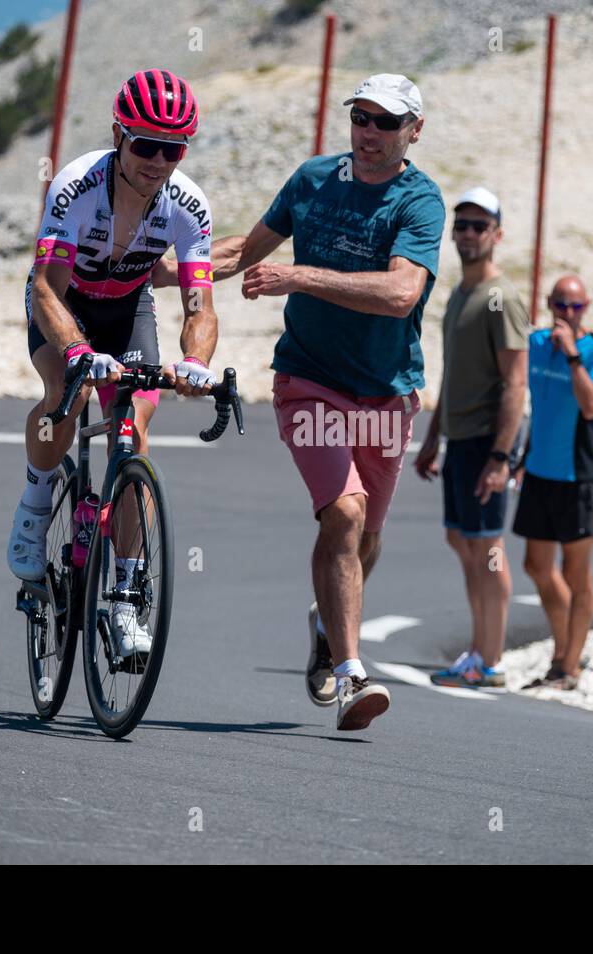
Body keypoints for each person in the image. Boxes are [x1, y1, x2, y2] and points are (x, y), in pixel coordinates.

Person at [204, 74, 445, 729]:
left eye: (384, 123)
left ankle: (324, 622)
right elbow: (244, 252)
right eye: (360, 117)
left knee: (366, 539)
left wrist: (298, 277)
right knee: (342, 513)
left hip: (387, 392)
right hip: (307, 380)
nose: (368, 133)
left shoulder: (420, 202)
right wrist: (157, 268)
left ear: (413, 132)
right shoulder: (312, 179)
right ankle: (350, 674)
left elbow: (401, 294)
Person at [6, 69, 220, 665]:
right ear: (119, 136)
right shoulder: (75, 186)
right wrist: (76, 352)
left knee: (132, 433)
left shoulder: (188, 205)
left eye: (172, 148)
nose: (158, 160)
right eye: (146, 144)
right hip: (64, 302)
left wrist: (196, 361)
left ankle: (126, 595)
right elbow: (47, 289)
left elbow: (200, 305)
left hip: (129, 309)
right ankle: (38, 498)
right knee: (63, 394)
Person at [414, 187, 529, 689]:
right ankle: (479, 650)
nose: (468, 234)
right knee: (461, 538)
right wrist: (434, 437)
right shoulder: (461, 293)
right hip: (459, 439)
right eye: (461, 225)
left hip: (487, 442)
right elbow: (452, 374)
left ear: (497, 235)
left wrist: (501, 457)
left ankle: (492, 659)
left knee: (487, 549)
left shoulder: (502, 298)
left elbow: (515, 382)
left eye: (479, 226)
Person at [513, 274, 593, 690]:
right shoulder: (535, 344)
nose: (567, 314)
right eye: (560, 306)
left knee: (578, 575)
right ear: (549, 305)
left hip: (580, 477)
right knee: (536, 566)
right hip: (539, 471)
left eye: (575, 307)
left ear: (586, 307)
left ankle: (568, 664)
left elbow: (591, 406)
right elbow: (531, 402)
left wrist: (573, 356)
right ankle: (565, 645)